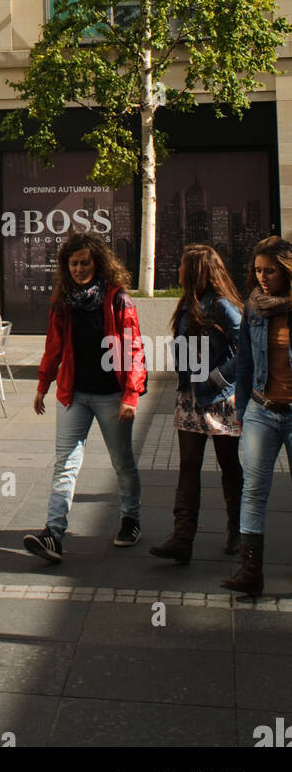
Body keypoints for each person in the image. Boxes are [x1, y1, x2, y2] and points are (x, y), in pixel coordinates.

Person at [24, 233, 146, 564]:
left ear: (98, 262)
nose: (78, 268)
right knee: (65, 463)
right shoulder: (63, 300)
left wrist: (132, 394)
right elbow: (54, 344)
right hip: (73, 393)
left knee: (122, 461)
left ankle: (130, 519)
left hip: (111, 395)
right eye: (73, 263)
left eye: (84, 262)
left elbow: (133, 348)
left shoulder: (117, 298)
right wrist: (43, 384)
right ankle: (53, 533)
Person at [150, 245, 242, 565]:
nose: (178, 271)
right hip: (190, 398)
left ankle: (237, 529)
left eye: (182, 267)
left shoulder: (222, 306)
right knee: (188, 465)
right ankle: (183, 538)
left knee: (228, 464)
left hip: (218, 400)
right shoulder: (189, 304)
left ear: (198, 271)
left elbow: (247, 348)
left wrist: (218, 378)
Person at [221, 235, 292, 598]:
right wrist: (243, 410)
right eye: (258, 271)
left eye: (272, 271)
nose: (263, 278)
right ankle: (251, 572)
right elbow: (245, 362)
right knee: (253, 490)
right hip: (262, 410)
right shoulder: (253, 306)